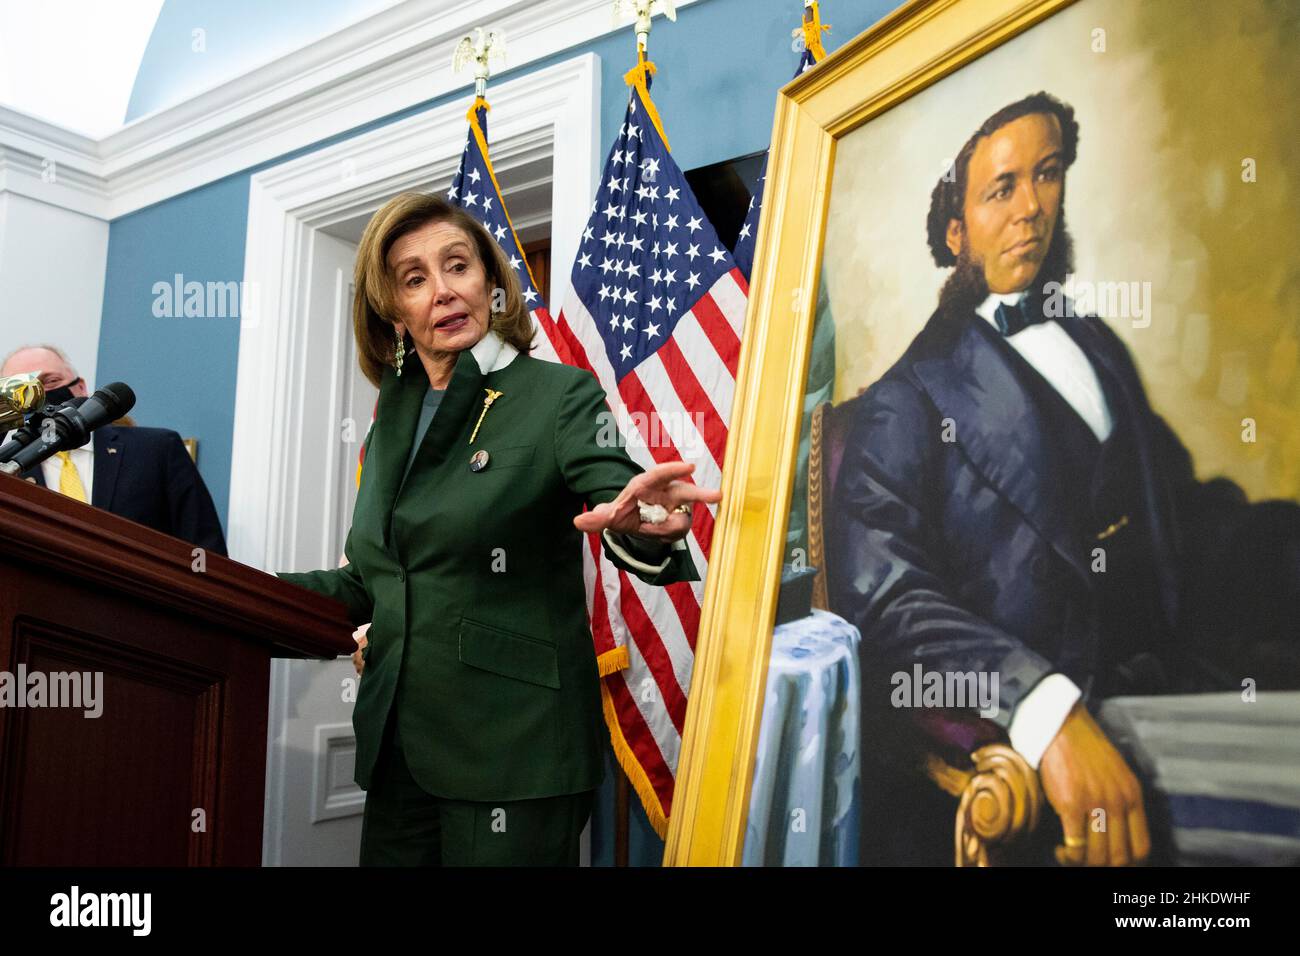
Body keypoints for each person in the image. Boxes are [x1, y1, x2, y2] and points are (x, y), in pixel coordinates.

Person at [827, 92, 1300, 866]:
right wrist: (1044, 709)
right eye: (1001, 188)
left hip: (1186, 678)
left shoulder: (1096, 344)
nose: (1031, 209)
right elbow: (883, 596)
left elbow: (1180, 513)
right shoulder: (905, 400)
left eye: (1045, 176)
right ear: (955, 230)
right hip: (1058, 738)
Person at [276, 193, 720, 866]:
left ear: (490, 281)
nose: (444, 290)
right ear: (393, 309)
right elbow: (374, 579)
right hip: (399, 752)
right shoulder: (392, 418)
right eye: (415, 278)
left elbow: (617, 492)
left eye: (458, 266)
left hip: (514, 750)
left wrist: (645, 524)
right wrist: (234, 588)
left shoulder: (558, 394)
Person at [1, 344, 228, 556]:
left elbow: (206, 550)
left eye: (50, 381)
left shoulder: (157, 450)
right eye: (22, 391)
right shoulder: (7, 471)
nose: (40, 394)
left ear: (80, 387)